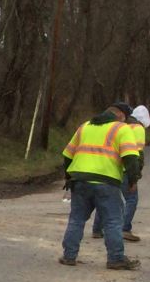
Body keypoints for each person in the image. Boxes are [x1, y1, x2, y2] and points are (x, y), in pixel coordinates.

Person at [60, 101, 142, 270]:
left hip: (80, 181)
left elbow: (68, 154)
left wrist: (68, 176)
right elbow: (131, 158)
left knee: (76, 219)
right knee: (112, 221)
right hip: (107, 182)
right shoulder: (121, 128)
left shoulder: (85, 126)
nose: (125, 121)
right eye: (125, 118)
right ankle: (115, 259)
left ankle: (69, 256)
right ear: (120, 115)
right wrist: (133, 181)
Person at [88, 105, 149, 244]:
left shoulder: (119, 126)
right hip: (126, 169)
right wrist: (135, 176)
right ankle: (125, 228)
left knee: (105, 199)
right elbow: (136, 154)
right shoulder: (138, 128)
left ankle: (97, 229)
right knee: (132, 199)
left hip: (111, 168)